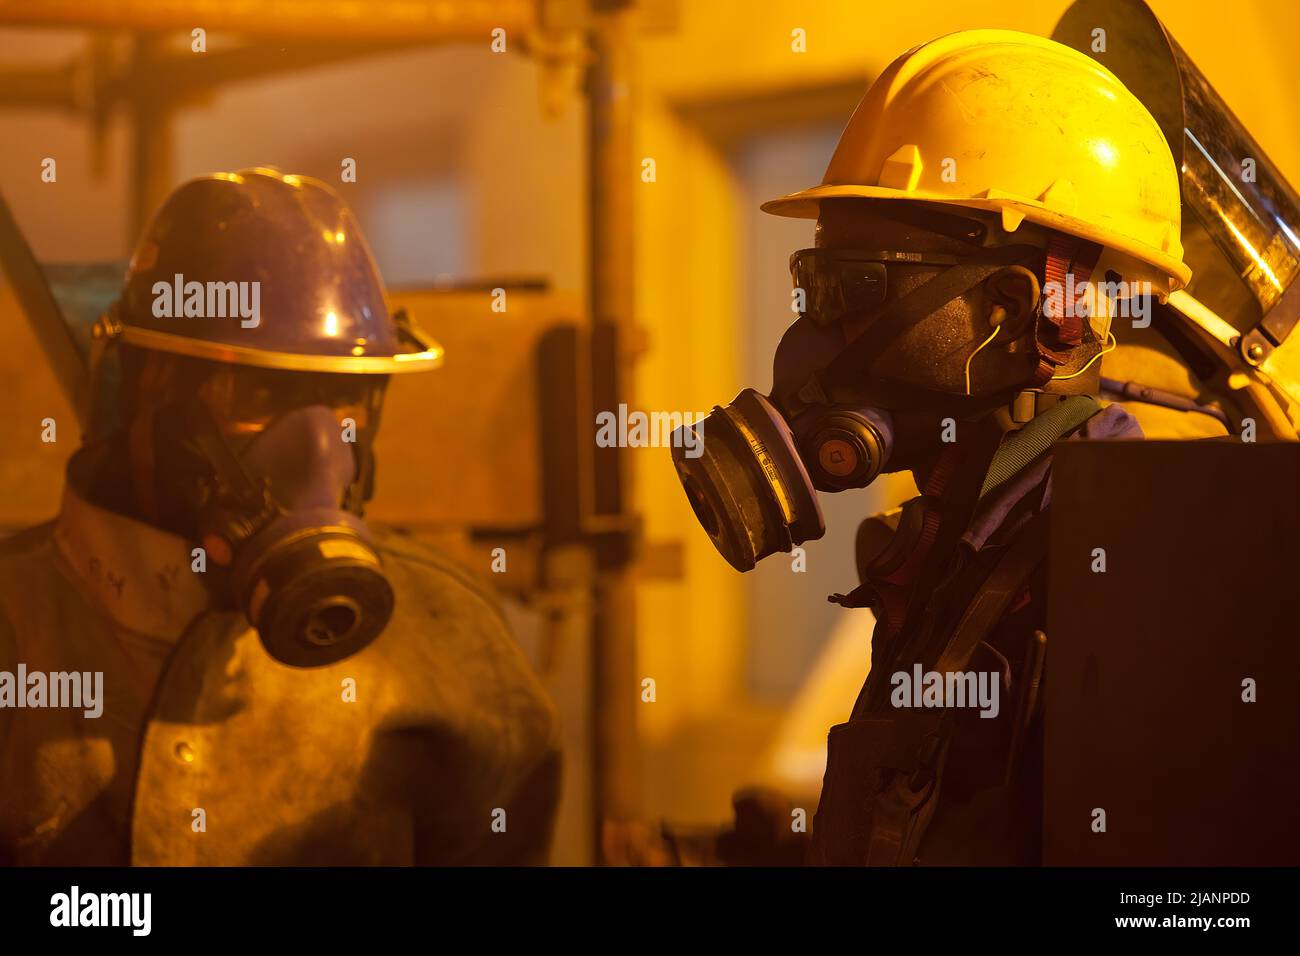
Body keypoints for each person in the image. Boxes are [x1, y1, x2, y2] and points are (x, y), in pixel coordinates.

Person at [672, 30, 1190, 864]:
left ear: (1016, 309)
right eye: (812, 288)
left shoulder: (1131, 561)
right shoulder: (968, 538)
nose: (810, 341)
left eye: (855, 290)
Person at [0, 167, 560, 865]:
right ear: (148, 387)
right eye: (263, 395)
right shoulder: (19, 627)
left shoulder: (452, 643)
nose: (322, 448)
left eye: (347, 401)